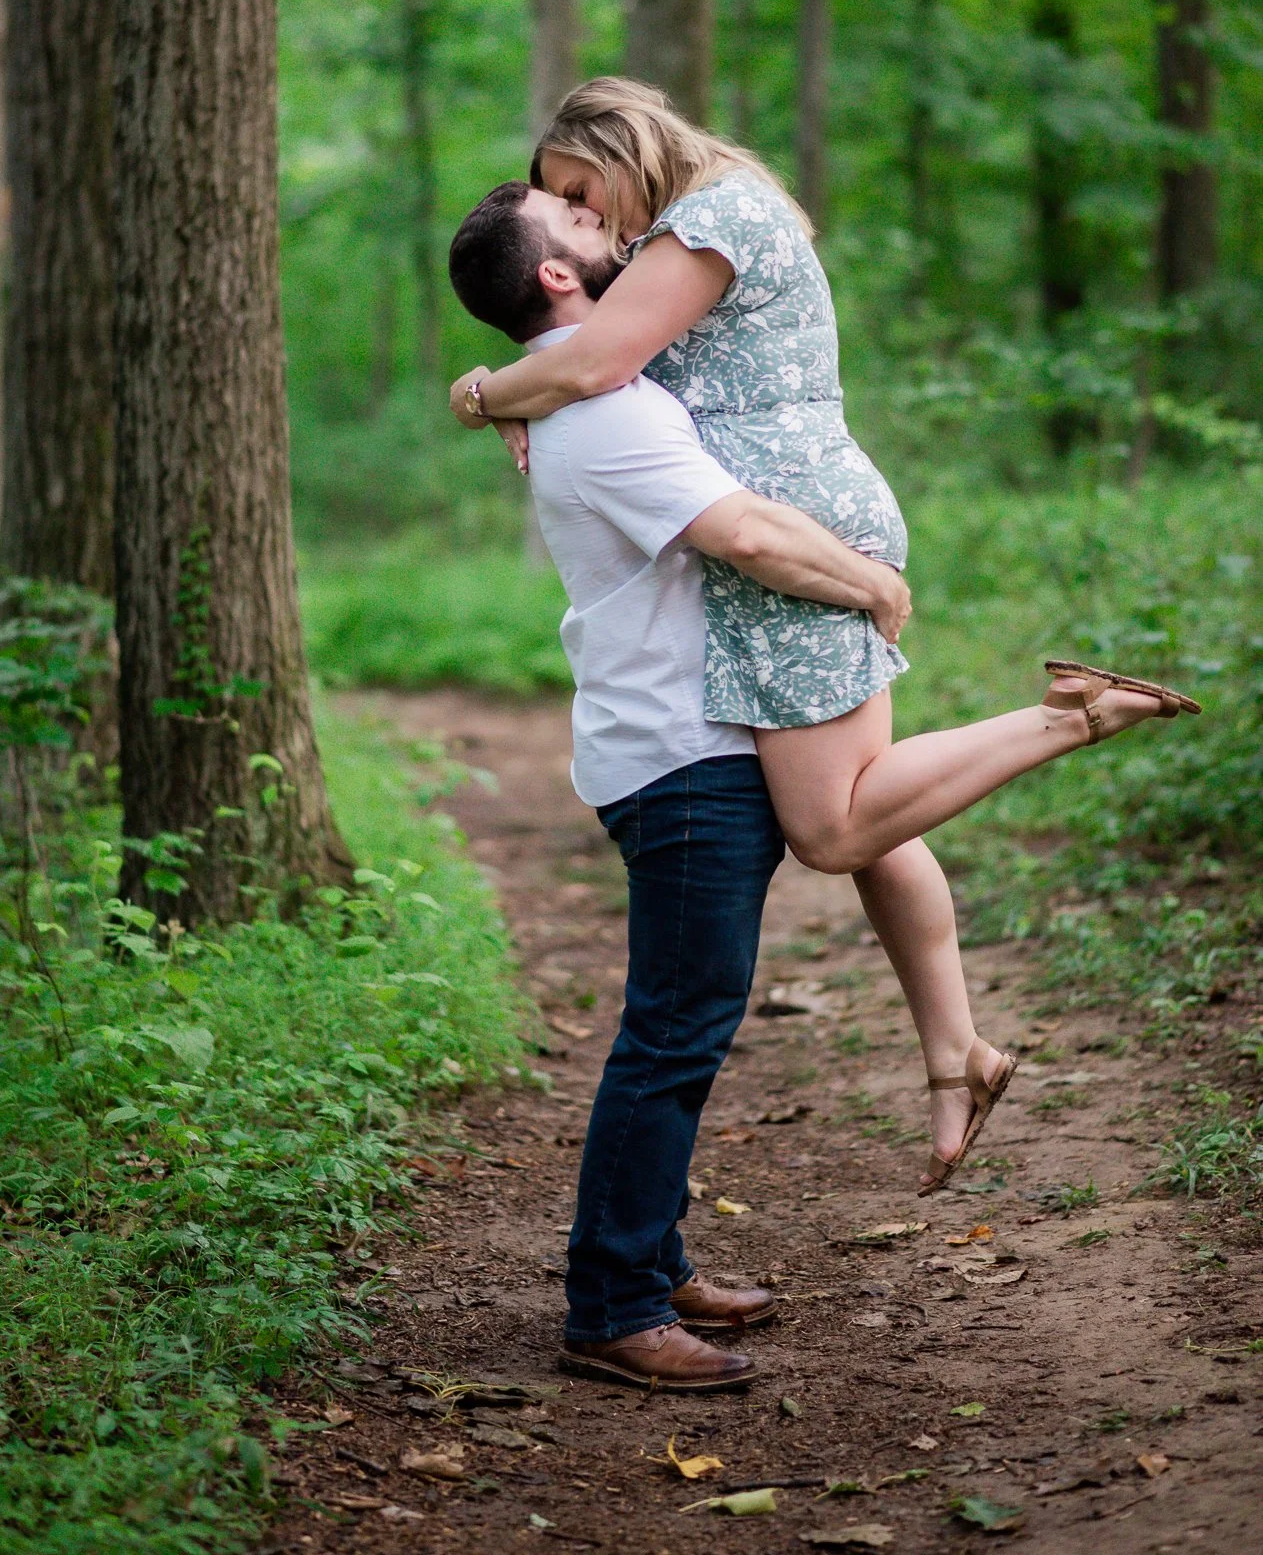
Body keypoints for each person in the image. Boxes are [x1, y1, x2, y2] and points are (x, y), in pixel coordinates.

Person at [449, 77, 1202, 1196]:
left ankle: (1069, 715)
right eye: (565, 207)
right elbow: (583, 347)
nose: (585, 212)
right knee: (879, 816)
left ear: (615, 150)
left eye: (575, 188)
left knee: (836, 825)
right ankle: (956, 1056)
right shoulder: (674, 231)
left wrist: (485, 391)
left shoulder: (709, 219)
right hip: (781, 528)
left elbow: (594, 362)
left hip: (786, 535)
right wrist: (510, 386)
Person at [448, 181, 912, 1391]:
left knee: (684, 1020)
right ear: (556, 275)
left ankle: (652, 1255)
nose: (613, 228)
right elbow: (745, 532)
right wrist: (871, 582)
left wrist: (485, 390)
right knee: (674, 1027)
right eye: (579, 221)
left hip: (686, 738)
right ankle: (613, 1302)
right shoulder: (603, 412)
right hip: (681, 753)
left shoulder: (592, 385)